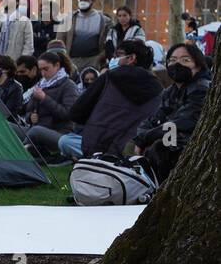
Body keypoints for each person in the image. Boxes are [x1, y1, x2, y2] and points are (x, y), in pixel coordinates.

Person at [58, 39, 162, 162]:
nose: (113, 59)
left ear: (131, 58)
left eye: (118, 55)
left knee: (65, 141)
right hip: (133, 151)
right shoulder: (159, 89)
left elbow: (76, 113)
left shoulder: (109, 77)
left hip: (96, 147)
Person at [133, 41, 213, 182]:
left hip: (194, 149)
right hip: (169, 143)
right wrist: (142, 138)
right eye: (173, 60)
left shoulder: (202, 88)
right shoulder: (170, 91)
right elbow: (153, 119)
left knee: (162, 147)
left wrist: (145, 139)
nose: (177, 64)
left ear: (198, 65)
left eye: (185, 60)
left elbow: (183, 122)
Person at [12, 50, 80, 160]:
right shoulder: (41, 84)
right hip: (36, 129)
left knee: (36, 130)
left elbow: (68, 114)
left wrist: (45, 98)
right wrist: (30, 117)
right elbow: (29, 111)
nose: (43, 73)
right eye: (41, 70)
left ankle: (18, 156)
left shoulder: (68, 85)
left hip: (59, 133)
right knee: (6, 126)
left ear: (57, 65)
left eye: (46, 69)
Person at [59, 0, 111, 71]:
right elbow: (60, 39)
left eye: (86, 0)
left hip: (93, 61)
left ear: (93, 1)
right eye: (81, 0)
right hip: (72, 60)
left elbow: (108, 43)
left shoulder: (104, 20)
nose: (83, 2)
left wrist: (100, 57)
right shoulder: (68, 18)